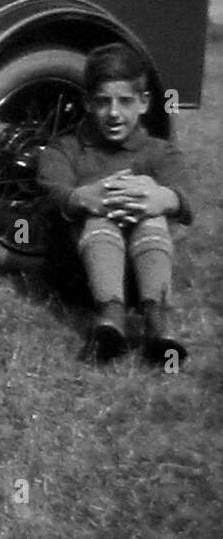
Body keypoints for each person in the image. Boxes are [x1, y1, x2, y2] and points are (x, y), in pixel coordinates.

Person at [37, 43, 193, 366]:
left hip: (142, 274)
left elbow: (185, 196)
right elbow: (50, 194)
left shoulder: (159, 151)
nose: (114, 113)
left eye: (125, 101)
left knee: (151, 216)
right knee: (99, 216)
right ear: (87, 103)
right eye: (103, 101)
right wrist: (82, 197)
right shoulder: (65, 148)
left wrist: (161, 198)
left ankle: (156, 319)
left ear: (144, 103)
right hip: (81, 276)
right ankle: (110, 318)